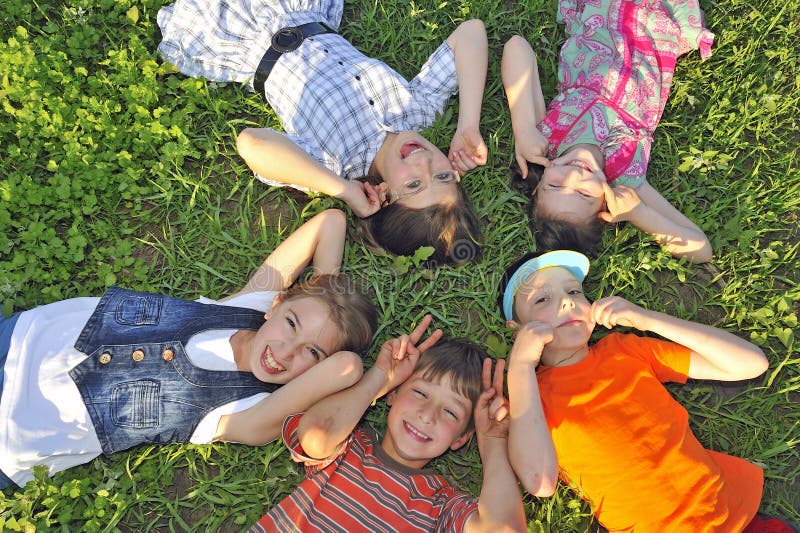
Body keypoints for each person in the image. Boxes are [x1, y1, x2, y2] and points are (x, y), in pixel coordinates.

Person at [0, 209, 377, 489]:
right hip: (22, 336)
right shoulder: (250, 304)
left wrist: (346, 354)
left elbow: (346, 366)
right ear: (276, 304)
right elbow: (330, 222)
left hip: (15, 428)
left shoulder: (249, 411)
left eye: (312, 353)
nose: (286, 351)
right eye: (292, 323)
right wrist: (324, 295)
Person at [156, 0, 487, 265]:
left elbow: (251, 143)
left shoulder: (334, 164)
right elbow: (470, 32)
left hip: (242, 33)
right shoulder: (421, 112)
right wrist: (468, 125)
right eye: (443, 176)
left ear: (384, 194)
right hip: (304, 9)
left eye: (414, 185)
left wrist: (342, 190)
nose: (425, 165)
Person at [497, 249, 800, 532]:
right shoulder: (531, 397)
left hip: (730, 516)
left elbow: (751, 363)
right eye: (542, 299)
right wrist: (521, 364)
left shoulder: (624, 351)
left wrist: (645, 318)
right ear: (516, 329)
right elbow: (540, 481)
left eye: (574, 291)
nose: (567, 302)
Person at [250, 315, 528, 532]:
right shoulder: (347, 447)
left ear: (460, 438)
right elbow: (315, 435)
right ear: (392, 394)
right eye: (420, 393)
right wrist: (381, 376)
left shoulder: (442, 506)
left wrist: (493, 440)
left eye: (450, 412)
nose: (427, 415)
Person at [501, 0, 713, 262]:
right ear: (605, 205)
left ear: (538, 185)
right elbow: (701, 249)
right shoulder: (625, 175)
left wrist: (523, 130)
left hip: (600, 15)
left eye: (555, 185)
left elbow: (516, 47)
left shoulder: (547, 138)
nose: (573, 176)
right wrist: (638, 213)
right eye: (584, 193)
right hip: (653, 29)